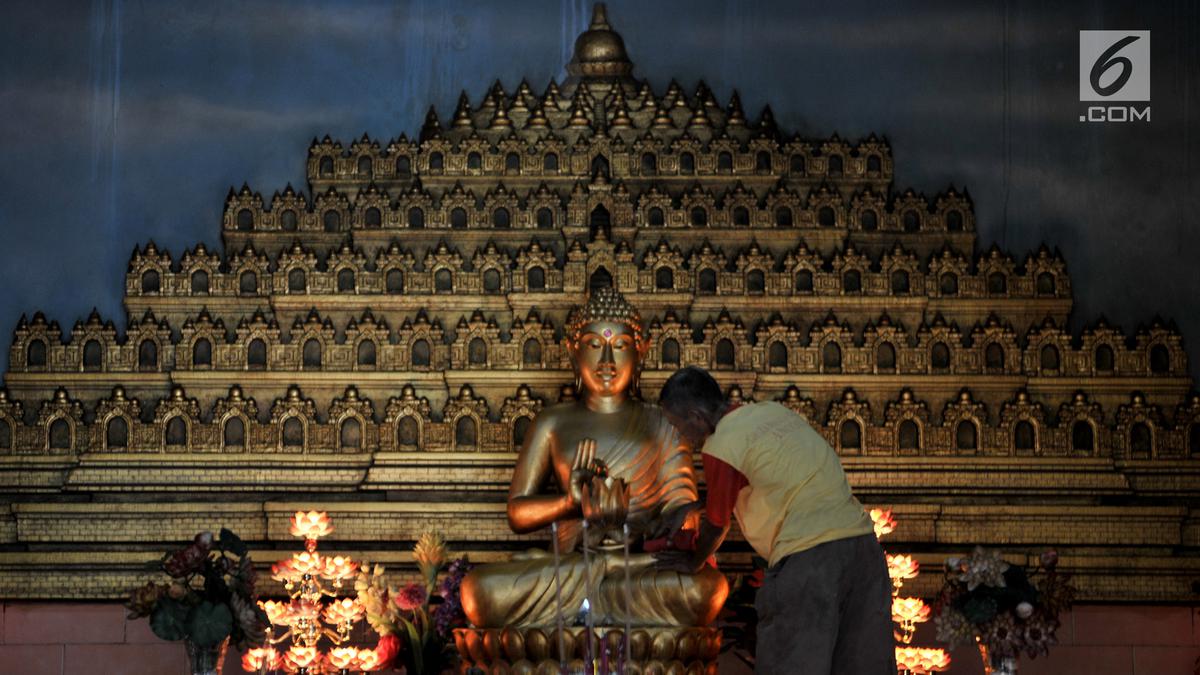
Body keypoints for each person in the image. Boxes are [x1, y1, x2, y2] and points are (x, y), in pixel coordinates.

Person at [653, 365, 896, 674]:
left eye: (678, 426)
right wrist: (693, 506)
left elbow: (717, 525)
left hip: (809, 560)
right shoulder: (770, 413)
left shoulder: (720, 445)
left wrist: (692, 562)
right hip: (864, 551)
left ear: (697, 417)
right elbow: (769, 475)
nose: (681, 437)